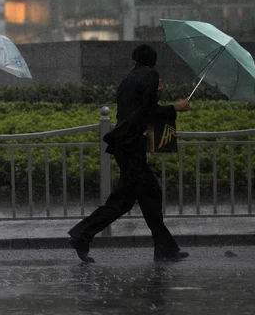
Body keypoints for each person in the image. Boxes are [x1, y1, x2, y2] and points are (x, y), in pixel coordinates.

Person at [68, 44, 191, 263]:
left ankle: (164, 248)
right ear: (153, 62)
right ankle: (82, 234)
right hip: (132, 147)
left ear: (134, 61)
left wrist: (156, 94)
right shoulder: (151, 75)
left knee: (130, 200)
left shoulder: (128, 80)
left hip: (124, 146)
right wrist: (175, 107)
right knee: (144, 196)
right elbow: (148, 112)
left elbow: (135, 109)